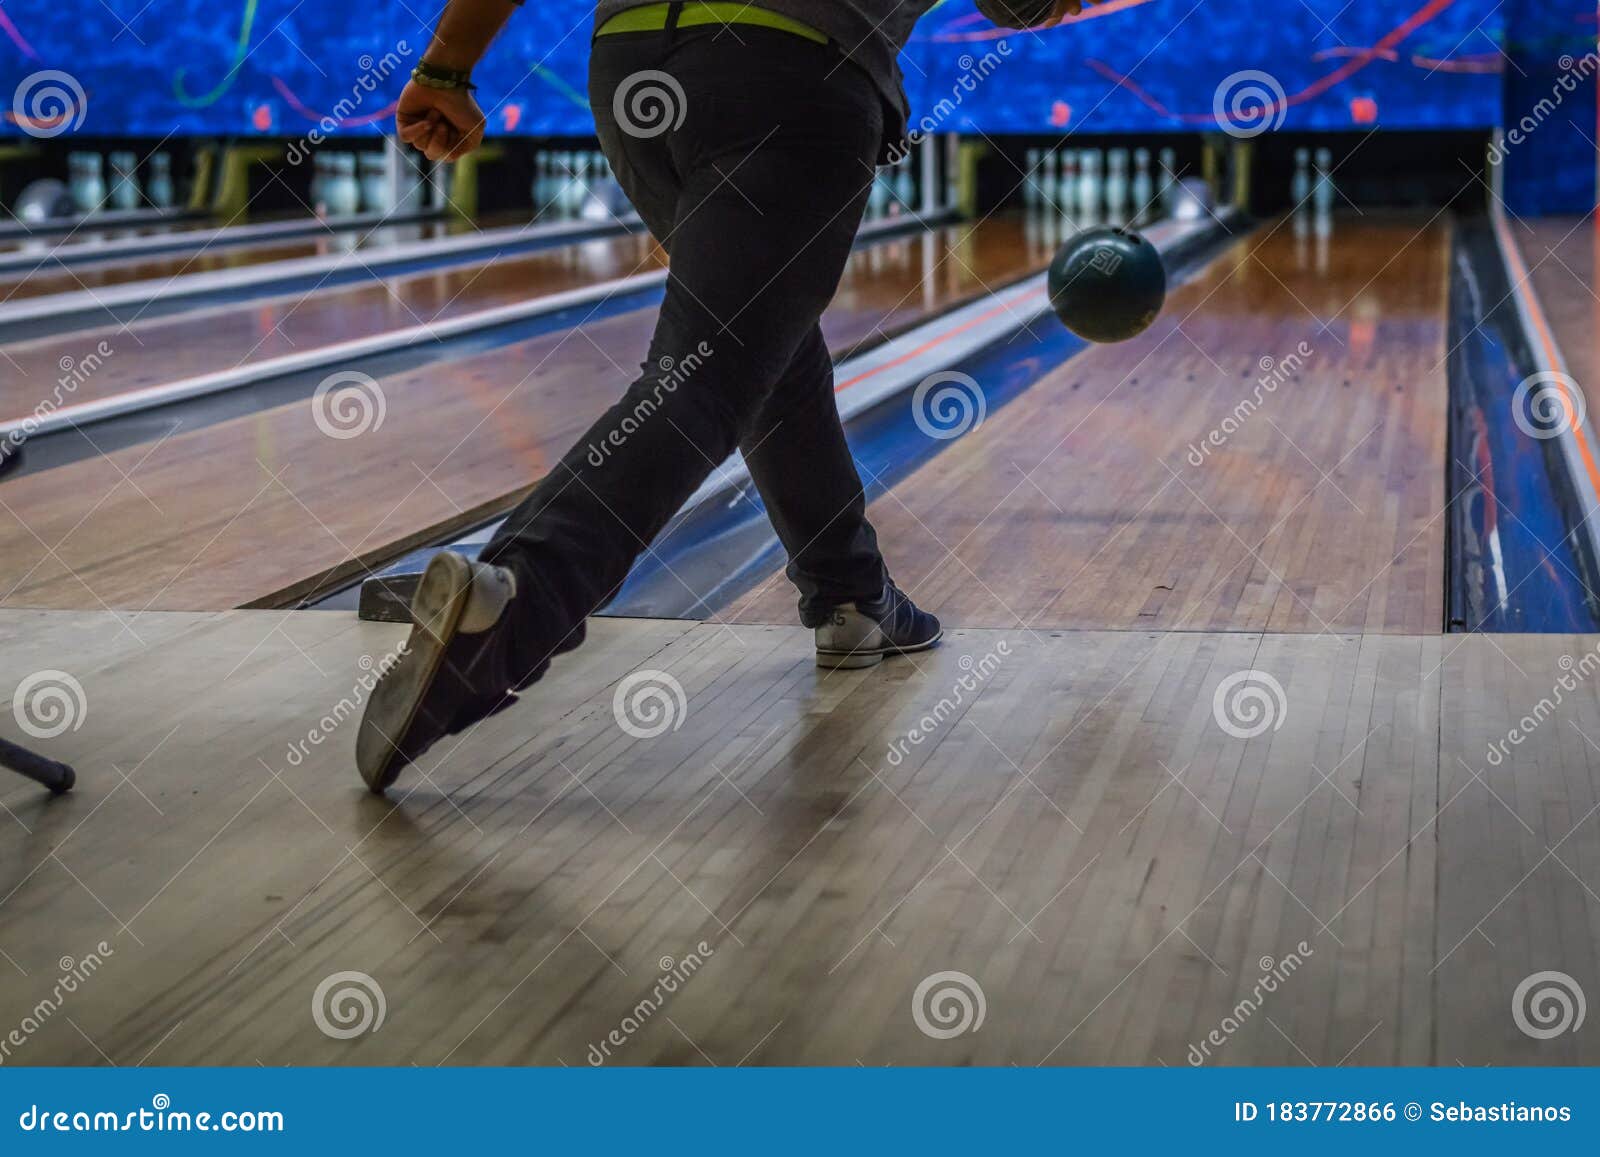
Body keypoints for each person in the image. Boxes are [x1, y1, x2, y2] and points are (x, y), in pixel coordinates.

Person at [357, 0, 1088, 793]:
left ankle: (850, 591)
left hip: (634, 74)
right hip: (792, 68)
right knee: (710, 370)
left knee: (756, 336)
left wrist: (446, 67)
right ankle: (516, 602)